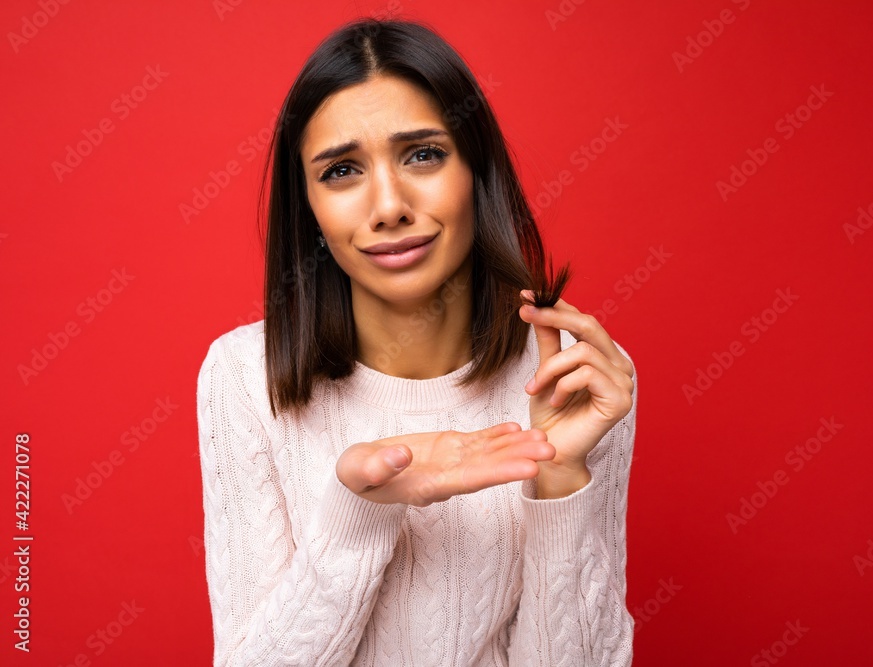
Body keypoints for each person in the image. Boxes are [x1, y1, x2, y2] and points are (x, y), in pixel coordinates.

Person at [196, 17, 637, 667]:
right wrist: (358, 517)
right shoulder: (241, 376)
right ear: (309, 207)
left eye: (423, 154)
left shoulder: (577, 376)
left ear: (476, 170)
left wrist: (559, 477)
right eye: (342, 170)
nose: (388, 205)